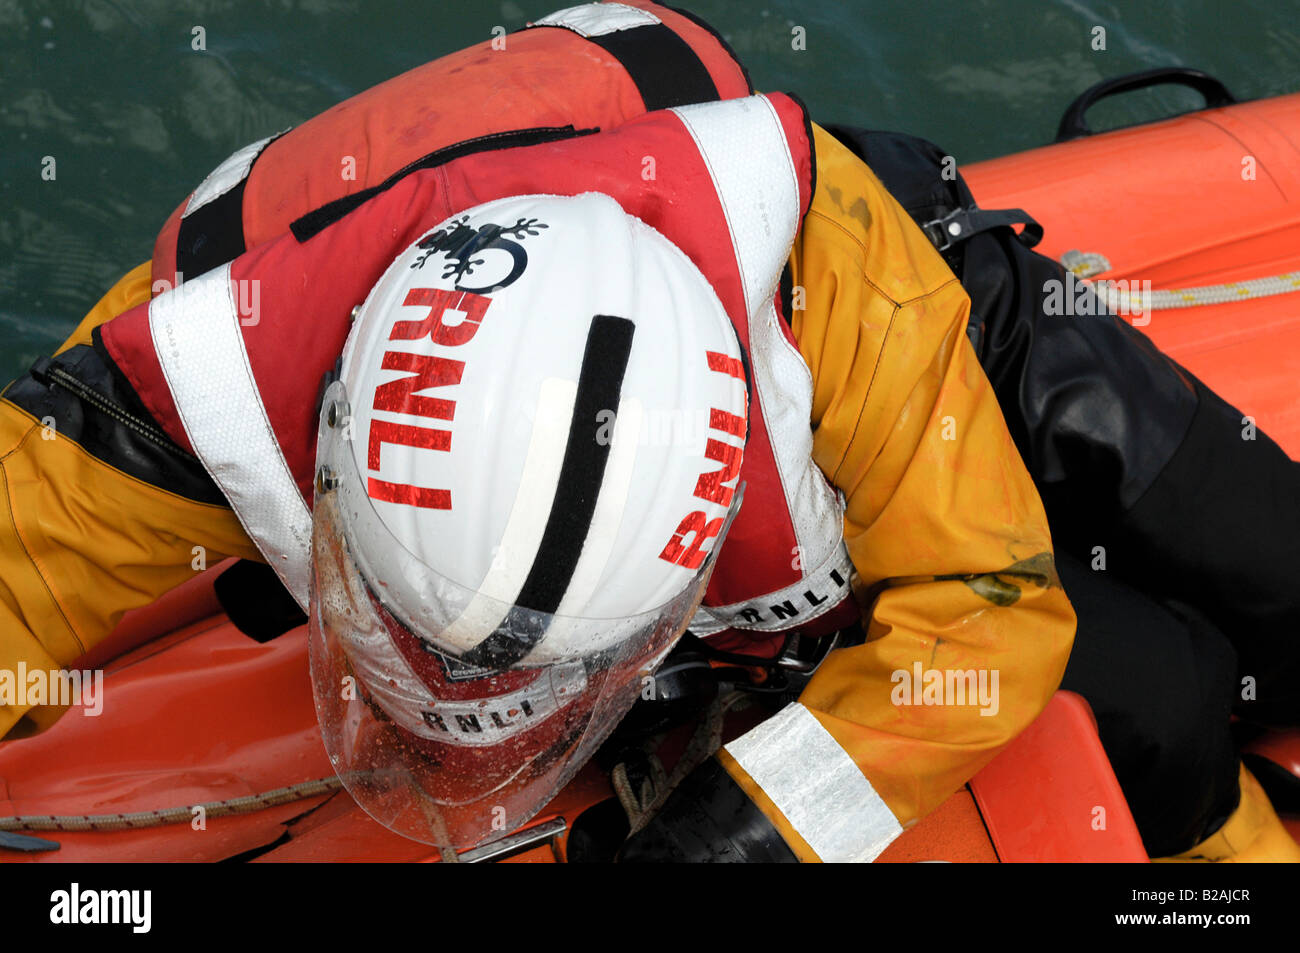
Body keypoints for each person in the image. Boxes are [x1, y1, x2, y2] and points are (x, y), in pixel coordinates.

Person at [0, 1, 1293, 862]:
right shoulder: (184, 383)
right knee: (1153, 686)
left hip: (941, 316)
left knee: (1266, 580)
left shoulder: (845, 296)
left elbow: (993, 605)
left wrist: (742, 832)